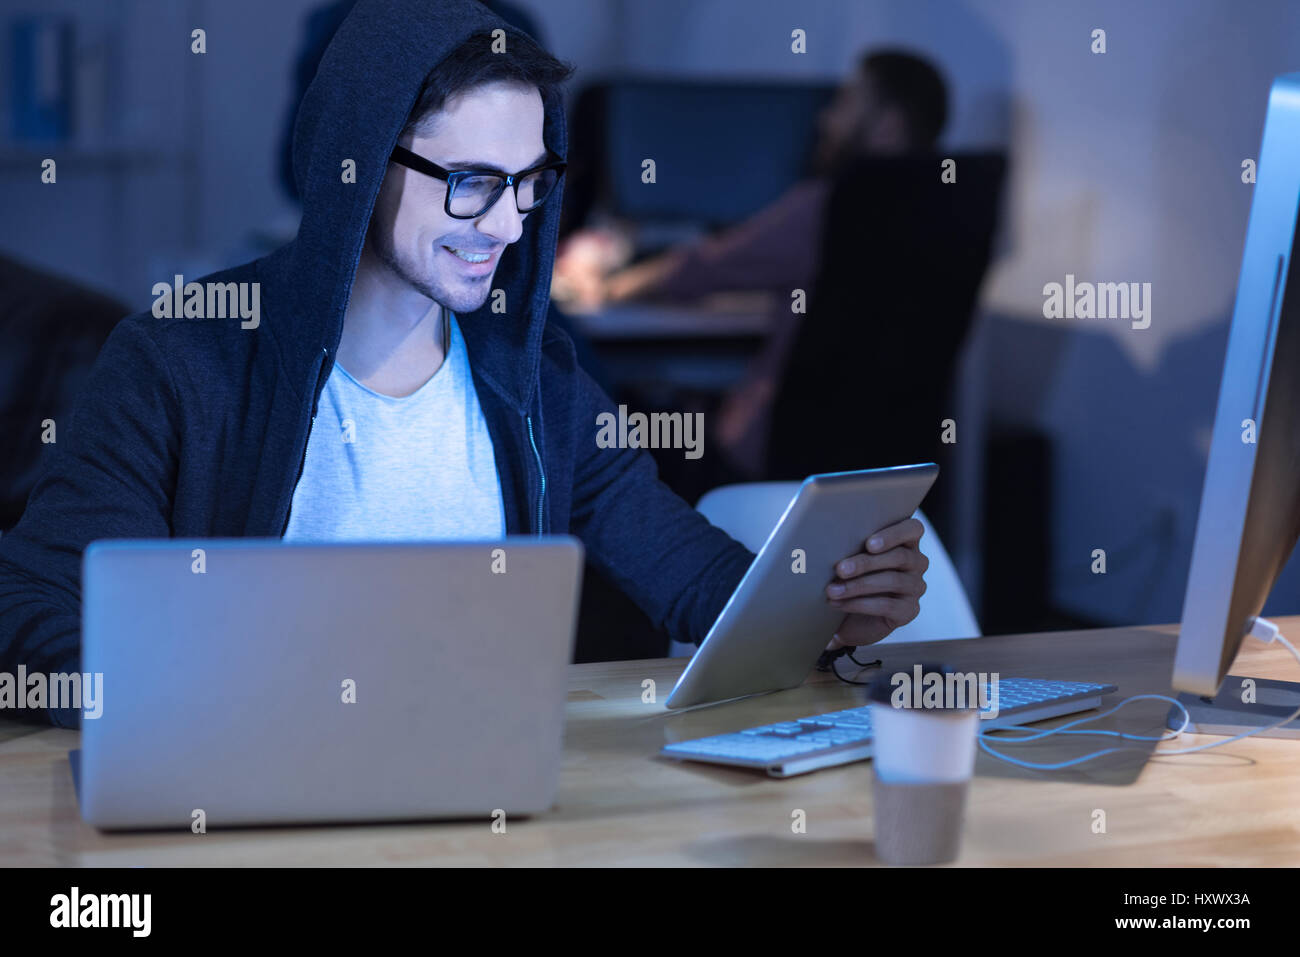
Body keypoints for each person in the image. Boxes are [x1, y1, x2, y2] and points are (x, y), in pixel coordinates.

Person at [0, 0, 929, 728]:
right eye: (474, 183)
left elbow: (688, 575)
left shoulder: (535, 382)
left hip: (485, 810)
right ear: (358, 166)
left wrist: (828, 605)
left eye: (530, 185)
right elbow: (35, 610)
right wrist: (195, 700)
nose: (509, 225)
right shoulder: (178, 364)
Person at [561, 50, 949, 478]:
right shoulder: (945, 213)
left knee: (617, 423)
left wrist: (612, 287)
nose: (824, 122)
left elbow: (706, 266)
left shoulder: (831, 208)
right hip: (880, 463)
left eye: (845, 105)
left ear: (888, 125)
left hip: (765, 453)